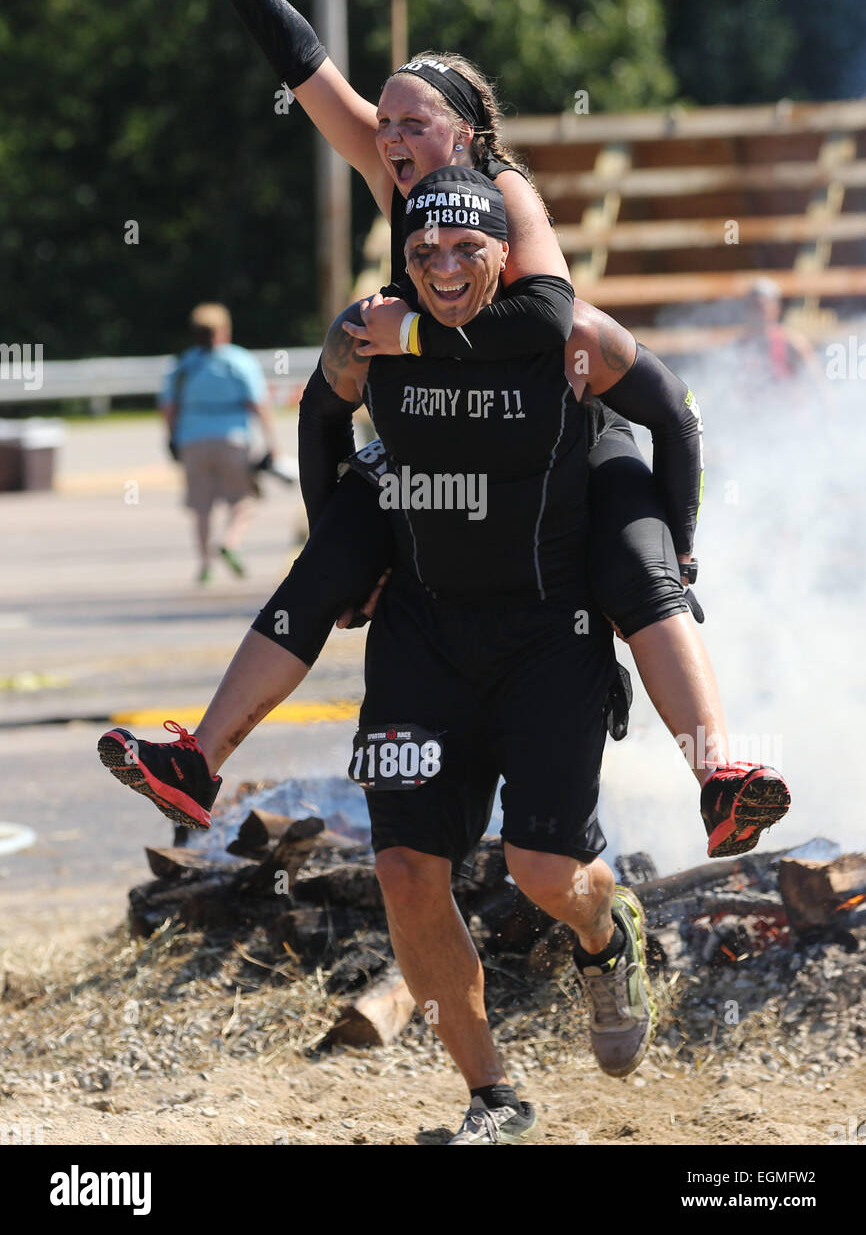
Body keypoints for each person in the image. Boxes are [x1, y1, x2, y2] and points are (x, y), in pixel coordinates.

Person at [158, 0, 789, 857]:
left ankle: (719, 775)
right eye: (388, 121)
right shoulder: (394, 171)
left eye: (412, 122)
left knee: (635, 566)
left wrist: (407, 335)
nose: (389, 135)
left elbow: (544, 314)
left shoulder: (504, 193)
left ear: (467, 132)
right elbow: (301, 63)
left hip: (564, 419)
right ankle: (196, 760)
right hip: (452, 433)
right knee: (333, 553)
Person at [110, 168, 717, 1140]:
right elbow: (319, 413)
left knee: (539, 870)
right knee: (403, 870)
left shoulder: (558, 337)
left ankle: (609, 930)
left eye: (463, 249)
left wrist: (673, 545)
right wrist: (343, 549)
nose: (440, 266)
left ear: (504, 255)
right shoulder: (371, 334)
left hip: (547, 637)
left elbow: (673, 409)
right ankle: (493, 1097)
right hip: (421, 641)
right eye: (421, 250)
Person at [161, 302, 278, 582]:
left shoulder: (183, 365)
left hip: (192, 438)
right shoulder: (239, 361)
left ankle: (204, 565)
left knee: (201, 507)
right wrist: (271, 441)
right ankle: (230, 541)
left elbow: (168, 406)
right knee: (244, 498)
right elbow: (258, 403)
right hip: (232, 438)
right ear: (224, 331)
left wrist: (172, 438)